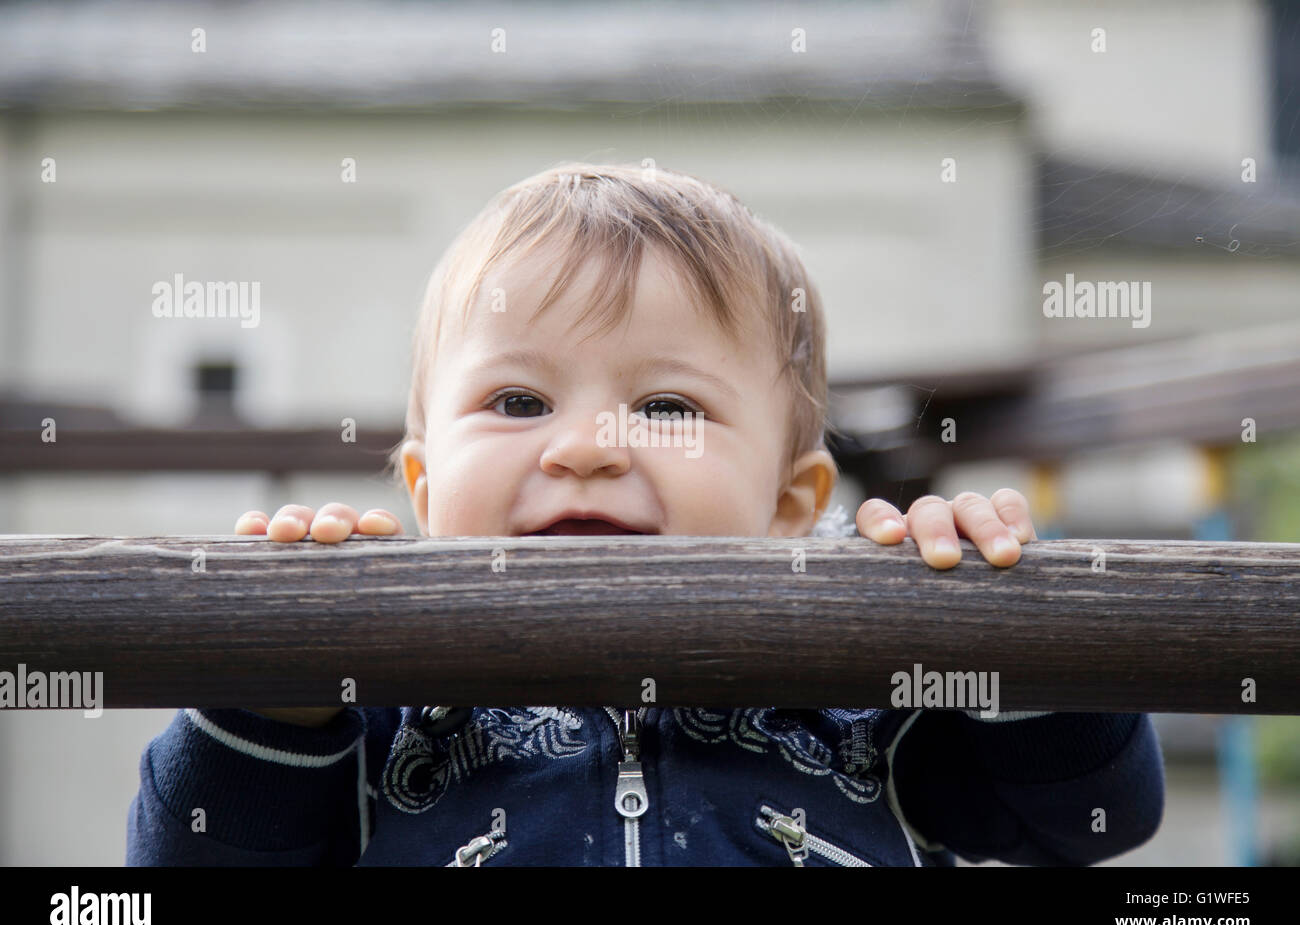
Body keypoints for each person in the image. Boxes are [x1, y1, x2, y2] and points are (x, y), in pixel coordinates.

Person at [127, 162, 1163, 866]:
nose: (584, 445)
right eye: (518, 401)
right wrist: (277, 685)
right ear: (427, 487)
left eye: (667, 407)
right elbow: (187, 855)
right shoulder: (382, 710)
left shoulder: (867, 695)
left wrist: (1008, 615)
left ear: (788, 505)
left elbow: (1089, 813)